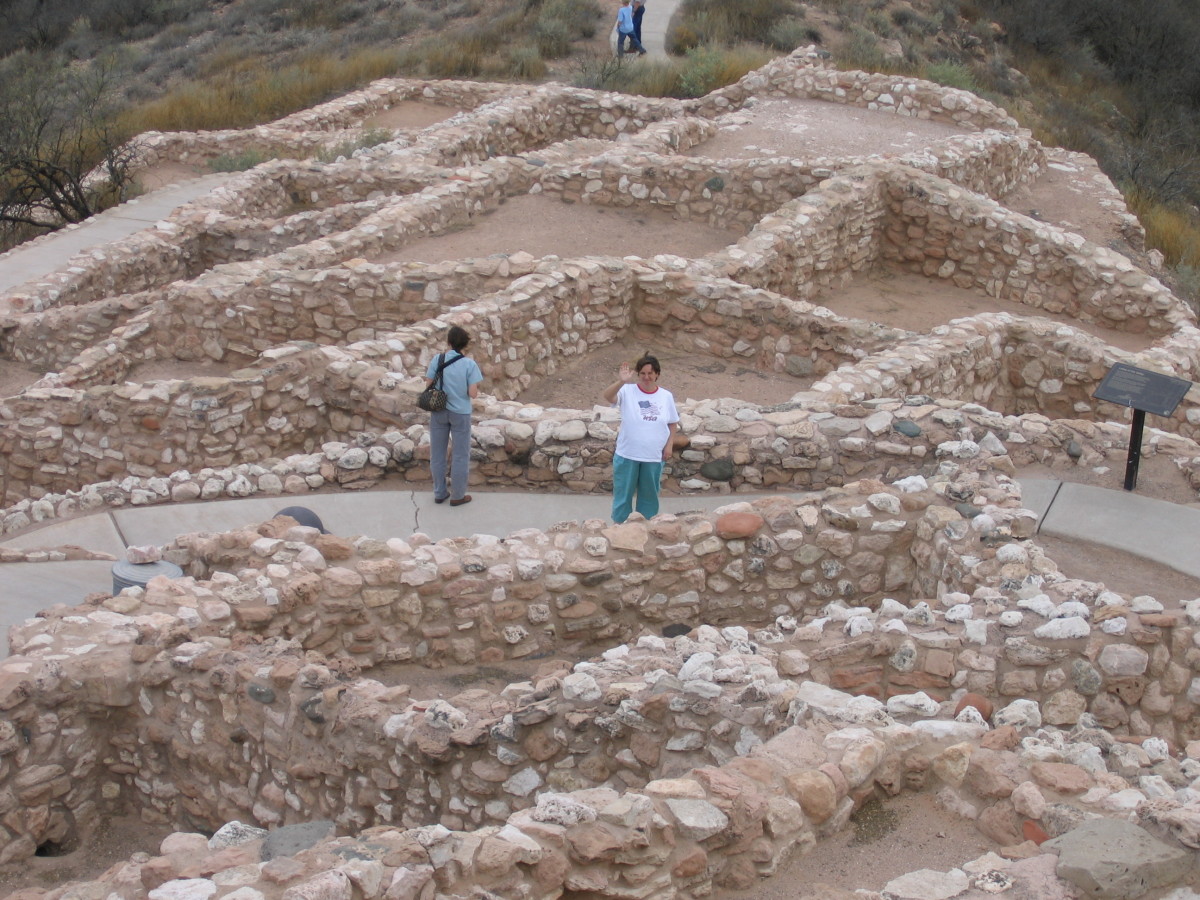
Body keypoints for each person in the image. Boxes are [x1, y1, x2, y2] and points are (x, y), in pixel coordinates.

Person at [602, 352, 679, 523]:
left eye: (650, 373)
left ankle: (647, 527)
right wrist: (621, 381)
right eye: (643, 373)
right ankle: (620, 527)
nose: (646, 377)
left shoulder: (665, 396)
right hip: (627, 454)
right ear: (638, 374)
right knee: (623, 495)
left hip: (653, 455)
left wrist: (669, 445)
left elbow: (672, 423)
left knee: (649, 496)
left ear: (657, 374)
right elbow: (608, 396)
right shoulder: (627, 391)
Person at [424, 325, 484, 507]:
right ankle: (458, 495)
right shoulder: (469, 364)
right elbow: (473, 393)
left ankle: (440, 492)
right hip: (460, 412)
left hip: (439, 411)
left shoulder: (437, 359)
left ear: (448, 342)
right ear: (465, 344)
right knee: (460, 455)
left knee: (437, 454)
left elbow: (428, 385)